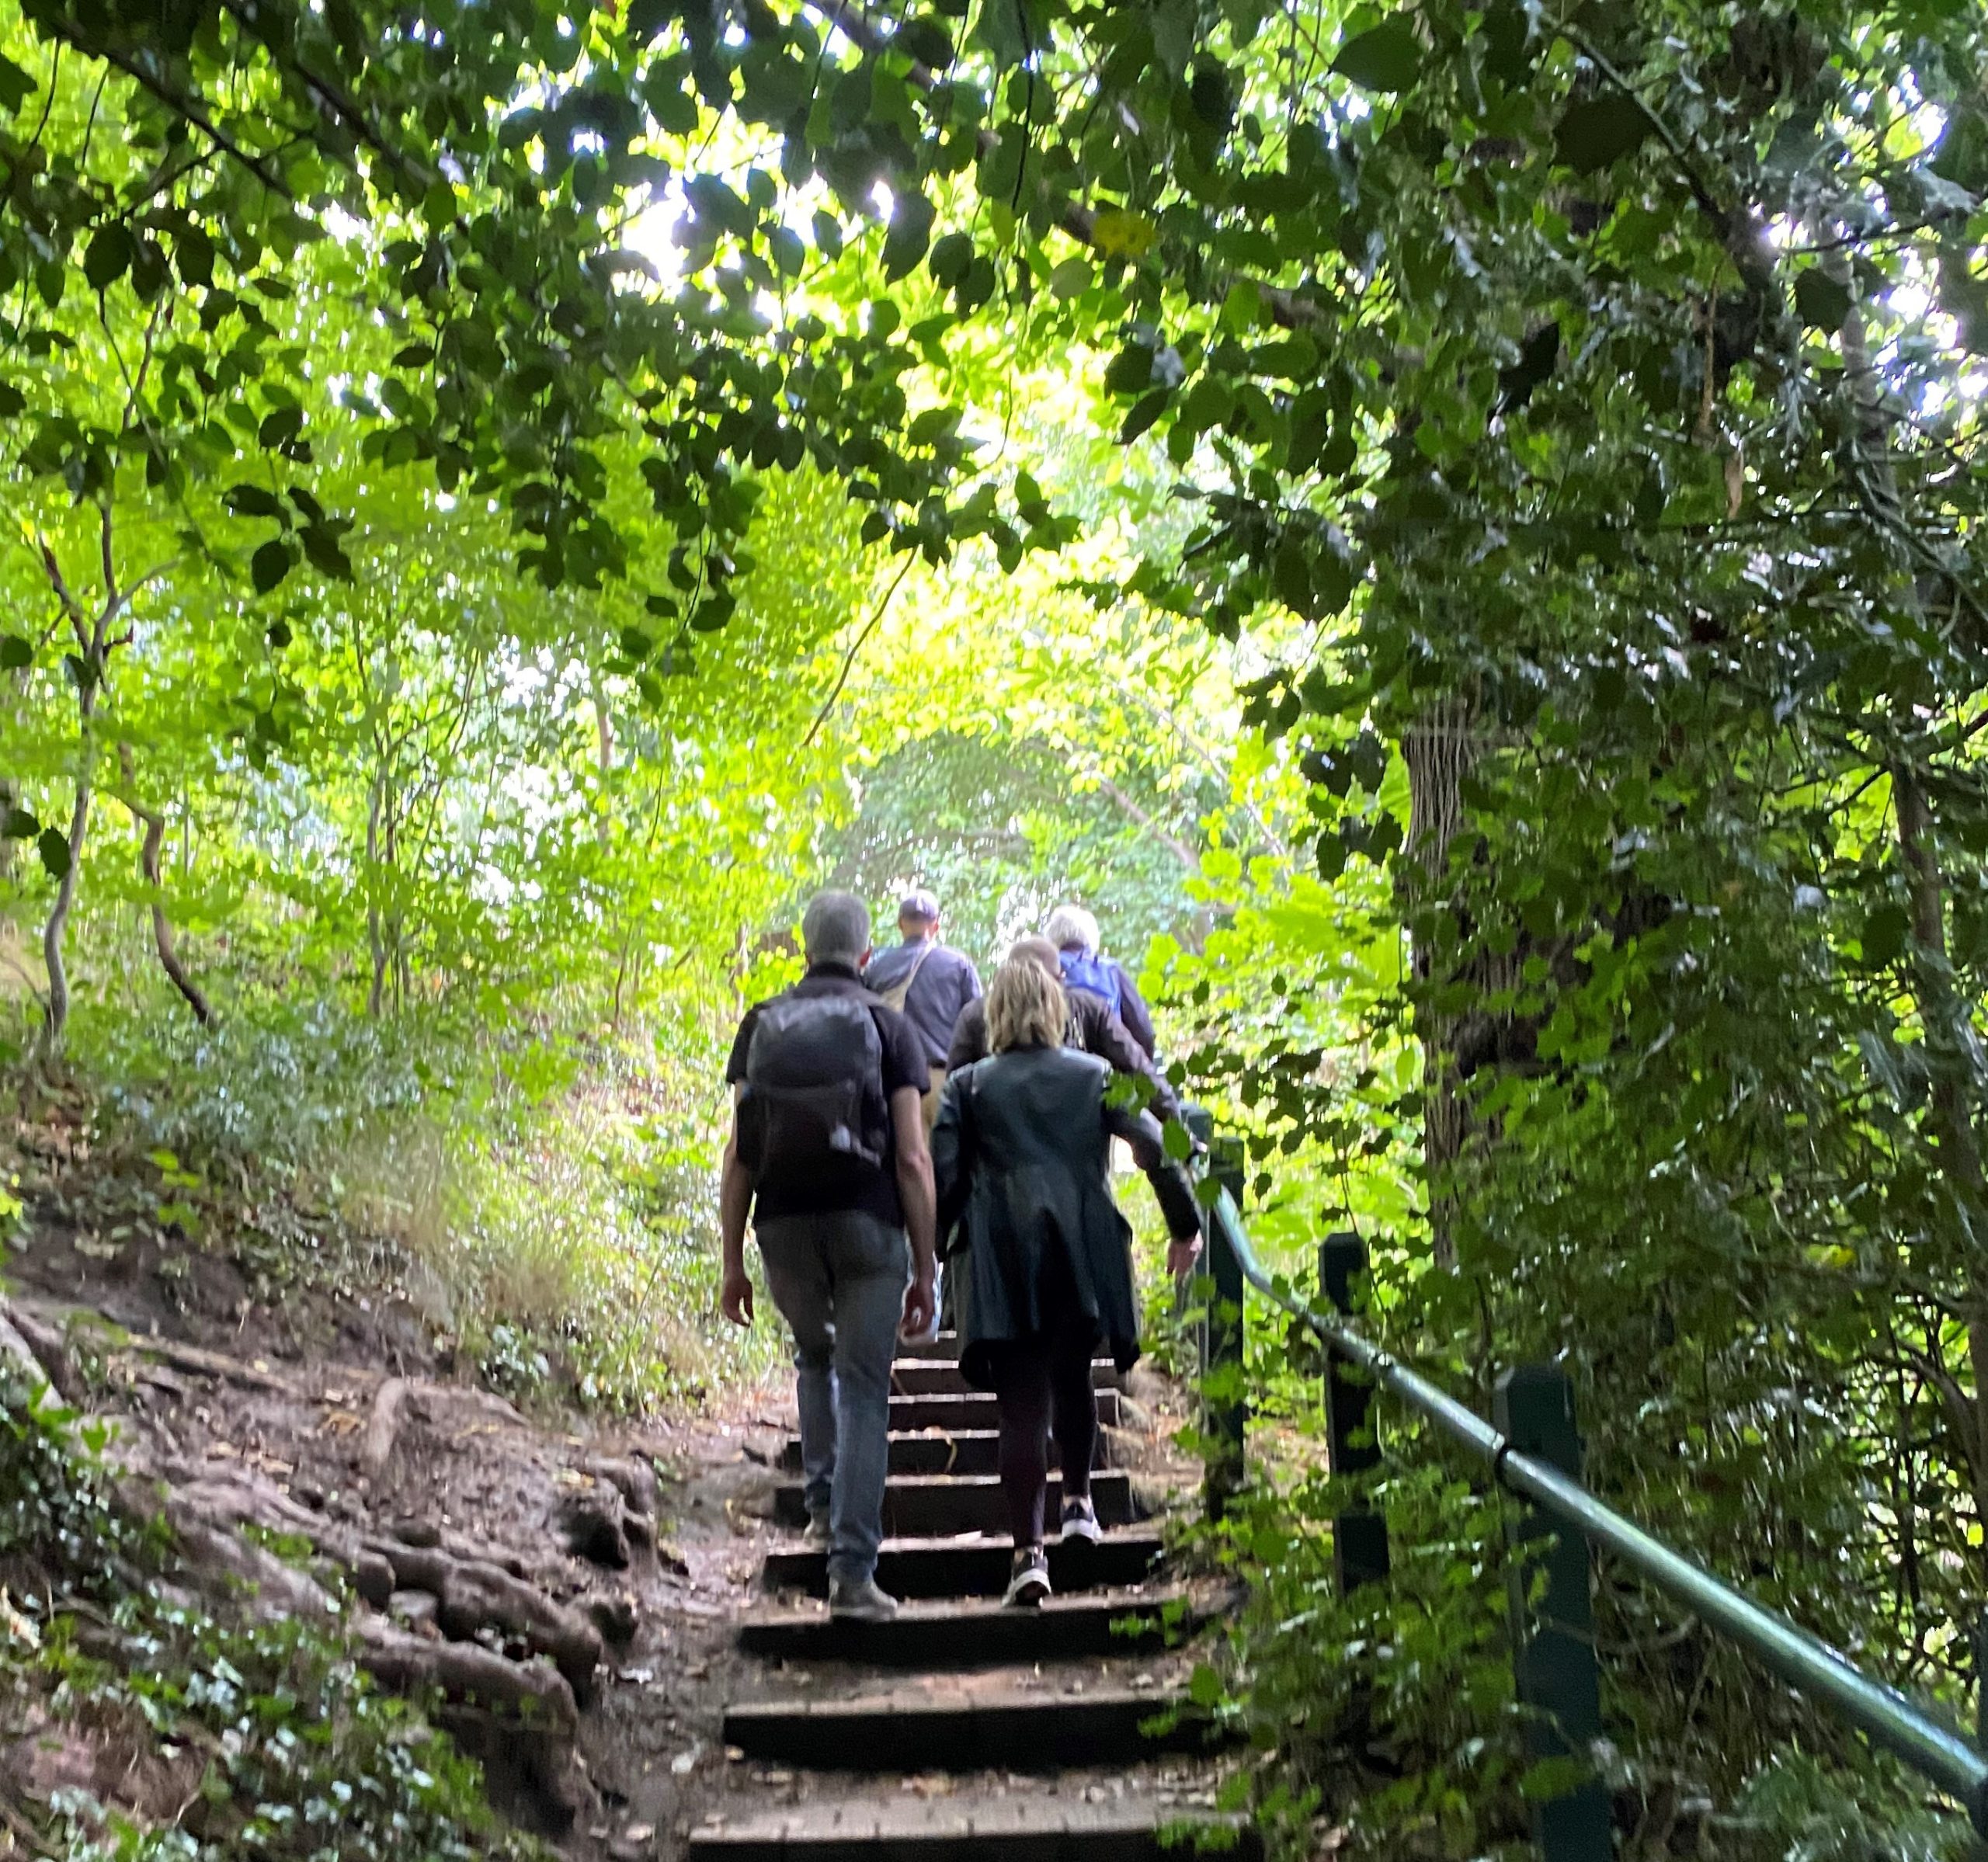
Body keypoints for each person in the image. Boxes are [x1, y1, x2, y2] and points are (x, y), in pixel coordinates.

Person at [932, 957, 1201, 1608]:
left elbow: (943, 1174)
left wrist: (936, 1252)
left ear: (994, 1015)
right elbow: (1154, 1146)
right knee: (1074, 1373)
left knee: (1022, 1401)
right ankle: (1080, 1503)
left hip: (1001, 1252)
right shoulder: (1096, 1075)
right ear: (1056, 1013)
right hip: (1081, 1244)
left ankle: (1028, 1554)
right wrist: (1183, 1224)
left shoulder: (968, 1087)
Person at [719, 890, 939, 1623]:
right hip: (868, 1224)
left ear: (805, 951)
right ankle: (851, 1576)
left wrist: (732, 1263)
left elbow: (740, 1156)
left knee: (815, 1358)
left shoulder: (762, 1024)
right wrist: (928, 1265)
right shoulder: (889, 1024)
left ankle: (818, 1508)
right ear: (867, 954)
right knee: (866, 1385)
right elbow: (911, 1158)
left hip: (782, 1224)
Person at [947, 936, 1181, 1127]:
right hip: (1081, 1164)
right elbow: (1139, 1072)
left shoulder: (975, 1015)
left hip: (997, 1168)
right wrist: (1178, 1134)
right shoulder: (1088, 1009)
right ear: (1060, 979)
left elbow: (954, 1096)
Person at [861, 889, 982, 1129]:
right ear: (935, 926)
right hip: (944, 1082)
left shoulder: (877, 968)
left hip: (894, 1085)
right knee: (946, 1162)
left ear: (900, 924)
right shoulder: (958, 964)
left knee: (903, 1161)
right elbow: (979, 1023)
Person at [1044, 903, 1158, 1063]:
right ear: (1090, 936)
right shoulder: (1112, 970)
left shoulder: (1044, 971)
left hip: (1062, 1072)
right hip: (1110, 1070)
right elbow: (1144, 1033)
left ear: (1051, 938)